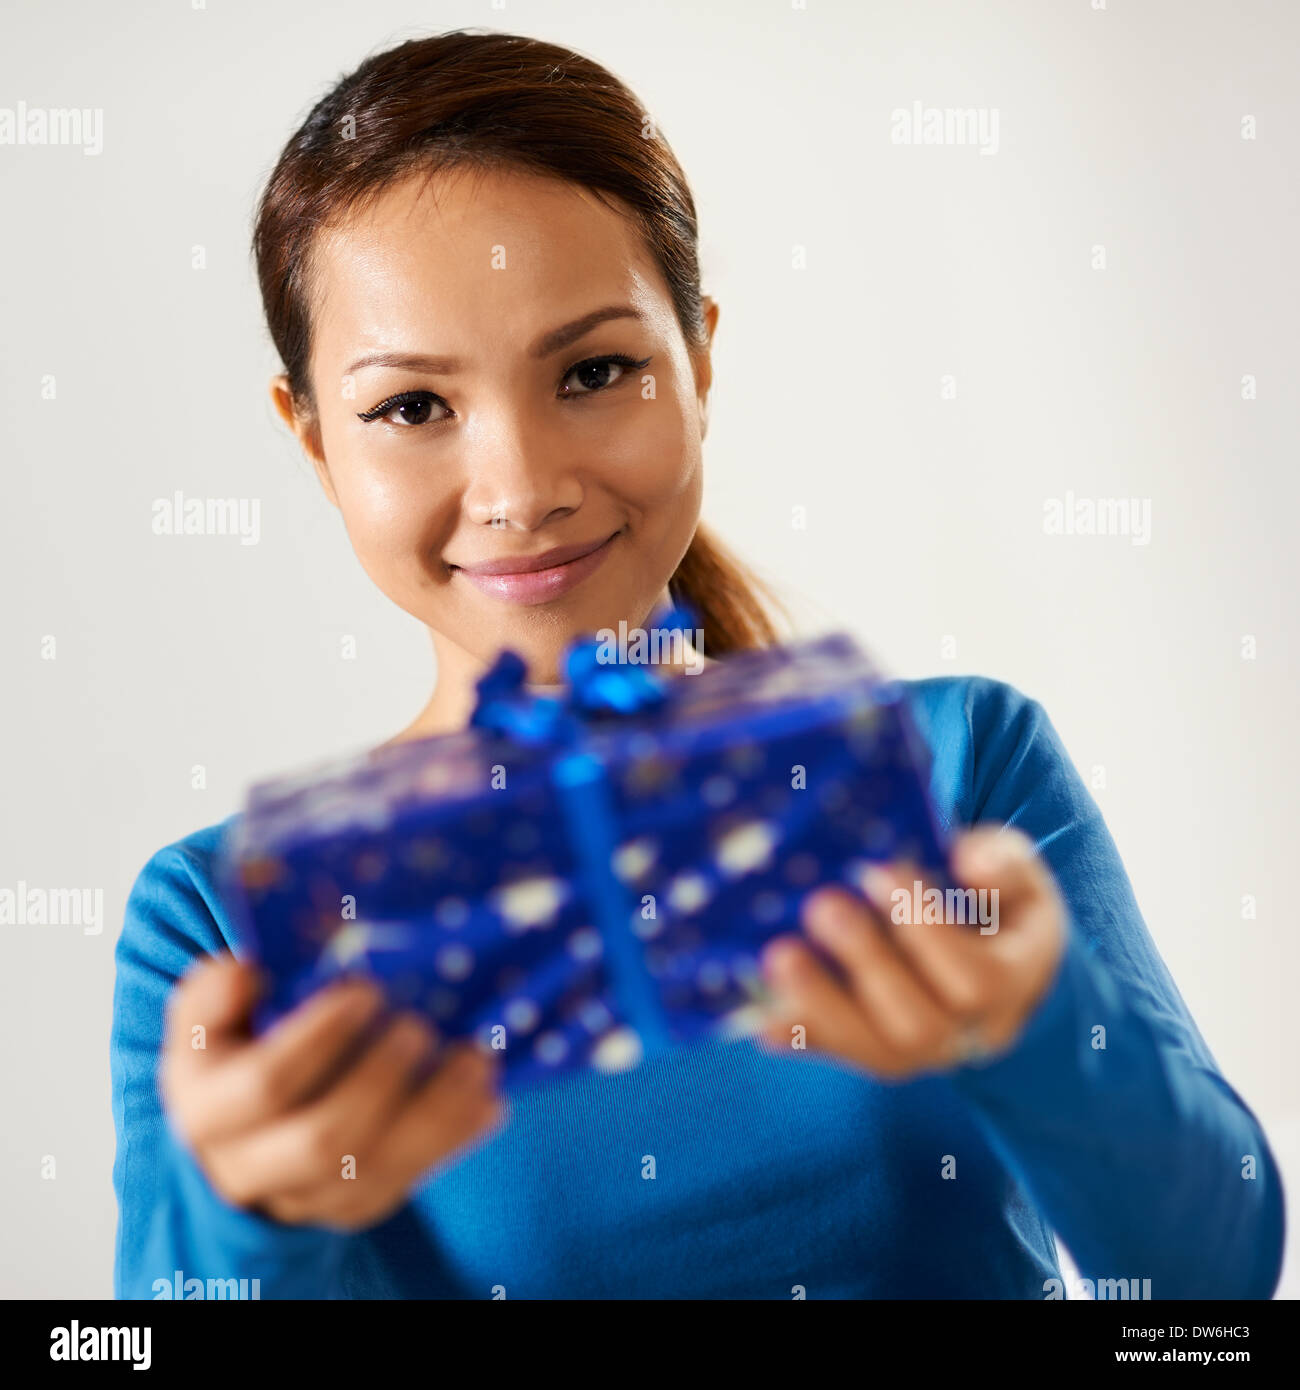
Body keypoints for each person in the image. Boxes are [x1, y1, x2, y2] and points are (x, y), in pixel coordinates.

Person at [111, 29, 1285, 1300]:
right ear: (312, 440)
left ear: (700, 362)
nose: (522, 490)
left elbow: (1211, 1280)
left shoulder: (953, 771)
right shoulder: (222, 925)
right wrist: (244, 1218)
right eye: (411, 406)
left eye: (595, 371)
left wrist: (1047, 1035)